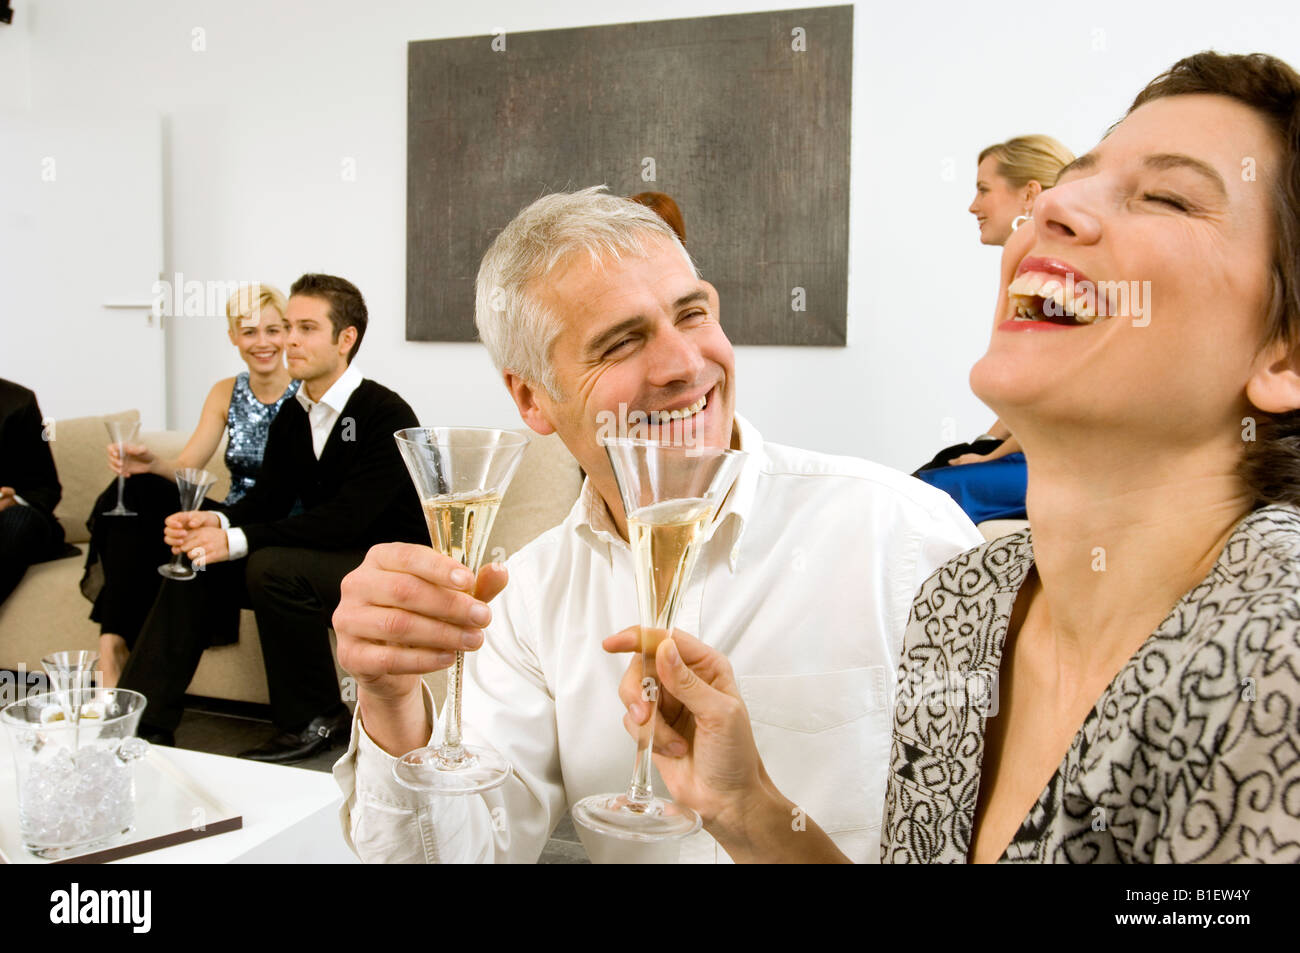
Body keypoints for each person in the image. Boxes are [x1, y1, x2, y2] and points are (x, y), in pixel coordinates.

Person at [607, 51, 1300, 864]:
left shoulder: (1274, 657)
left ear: (1284, 356)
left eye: (1167, 197)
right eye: (1072, 179)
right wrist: (744, 802)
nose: (1054, 208)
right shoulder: (961, 607)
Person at [329, 187, 983, 863]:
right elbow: (457, 858)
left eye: (692, 314)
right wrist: (392, 702)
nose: (685, 364)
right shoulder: (528, 595)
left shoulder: (904, 535)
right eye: (622, 341)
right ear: (531, 397)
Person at [119, 274, 426, 763]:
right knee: (198, 561)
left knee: (273, 567)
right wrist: (214, 526)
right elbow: (268, 502)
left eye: (305, 328)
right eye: (288, 327)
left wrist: (238, 538)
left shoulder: (383, 414)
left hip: (386, 568)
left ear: (345, 339)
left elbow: (344, 522)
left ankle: (318, 720)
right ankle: (142, 728)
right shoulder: (294, 415)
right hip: (325, 560)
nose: (290, 341)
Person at [82, 285, 300, 686]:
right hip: (228, 514)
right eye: (249, 331)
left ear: (290, 333)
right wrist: (150, 462)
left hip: (276, 526)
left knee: (154, 510)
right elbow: (186, 468)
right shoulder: (225, 391)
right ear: (233, 337)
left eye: (274, 330)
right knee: (136, 488)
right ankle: (112, 644)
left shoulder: (307, 393)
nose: (263, 342)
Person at [914, 135, 1076, 523]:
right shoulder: (1035, 259)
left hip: (1066, 461)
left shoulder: (1050, 264)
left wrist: (991, 456)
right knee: (933, 474)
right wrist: (987, 446)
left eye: (984, 189)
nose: (973, 205)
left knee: (925, 495)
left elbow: (1052, 394)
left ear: (1030, 193)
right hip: (1043, 451)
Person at [0, 379, 68, 605]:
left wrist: (13, 500)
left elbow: (46, 487)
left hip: (8, 525)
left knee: (21, 519)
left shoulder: (18, 401)